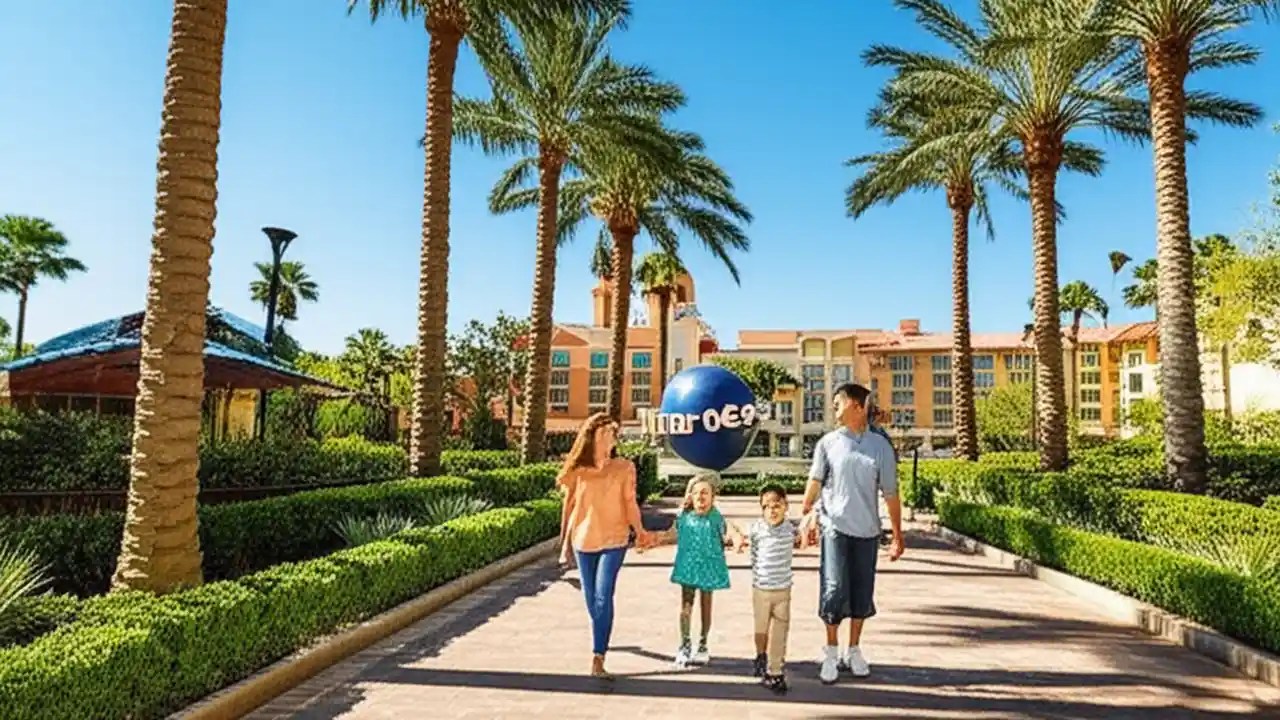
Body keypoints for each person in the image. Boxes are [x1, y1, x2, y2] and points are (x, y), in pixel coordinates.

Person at [800, 383, 904, 685]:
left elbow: (891, 493)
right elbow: (815, 481)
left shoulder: (880, 446)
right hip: (834, 528)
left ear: (857, 406)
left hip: (868, 531)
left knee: (861, 592)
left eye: (839, 402)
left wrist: (898, 536)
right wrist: (805, 512)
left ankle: (853, 650)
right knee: (833, 589)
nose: (834, 407)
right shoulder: (828, 443)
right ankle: (831, 651)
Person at [557, 412, 652, 679]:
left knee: (603, 595)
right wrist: (563, 543)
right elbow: (569, 506)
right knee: (591, 599)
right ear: (593, 436)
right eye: (606, 432)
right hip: (583, 540)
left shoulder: (624, 467)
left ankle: (598, 656)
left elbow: (630, 503)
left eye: (613, 433)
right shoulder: (577, 470)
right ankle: (601, 631)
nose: (612, 437)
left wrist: (640, 531)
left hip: (615, 539)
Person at [642, 473, 744, 668]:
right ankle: (685, 644)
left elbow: (731, 530)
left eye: (705, 493)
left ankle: (703, 644)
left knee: (706, 604)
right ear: (690, 496)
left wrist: (737, 539)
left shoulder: (716, 517)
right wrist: (651, 540)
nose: (700, 497)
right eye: (696, 493)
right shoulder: (684, 517)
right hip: (688, 568)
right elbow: (670, 535)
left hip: (709, 567)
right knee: (686, 607)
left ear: (713, 497)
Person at [744, 482, 802, 694]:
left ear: (786, 506)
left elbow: (807, 529)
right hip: (761, 589)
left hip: (783, 589)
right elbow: (751, 551)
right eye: (766, 506)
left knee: (780, 631)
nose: (772, 510)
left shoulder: (791, 530)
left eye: (777, 505)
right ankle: (761, 655)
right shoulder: (756, 529)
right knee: (761, 629)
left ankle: (775, 670)